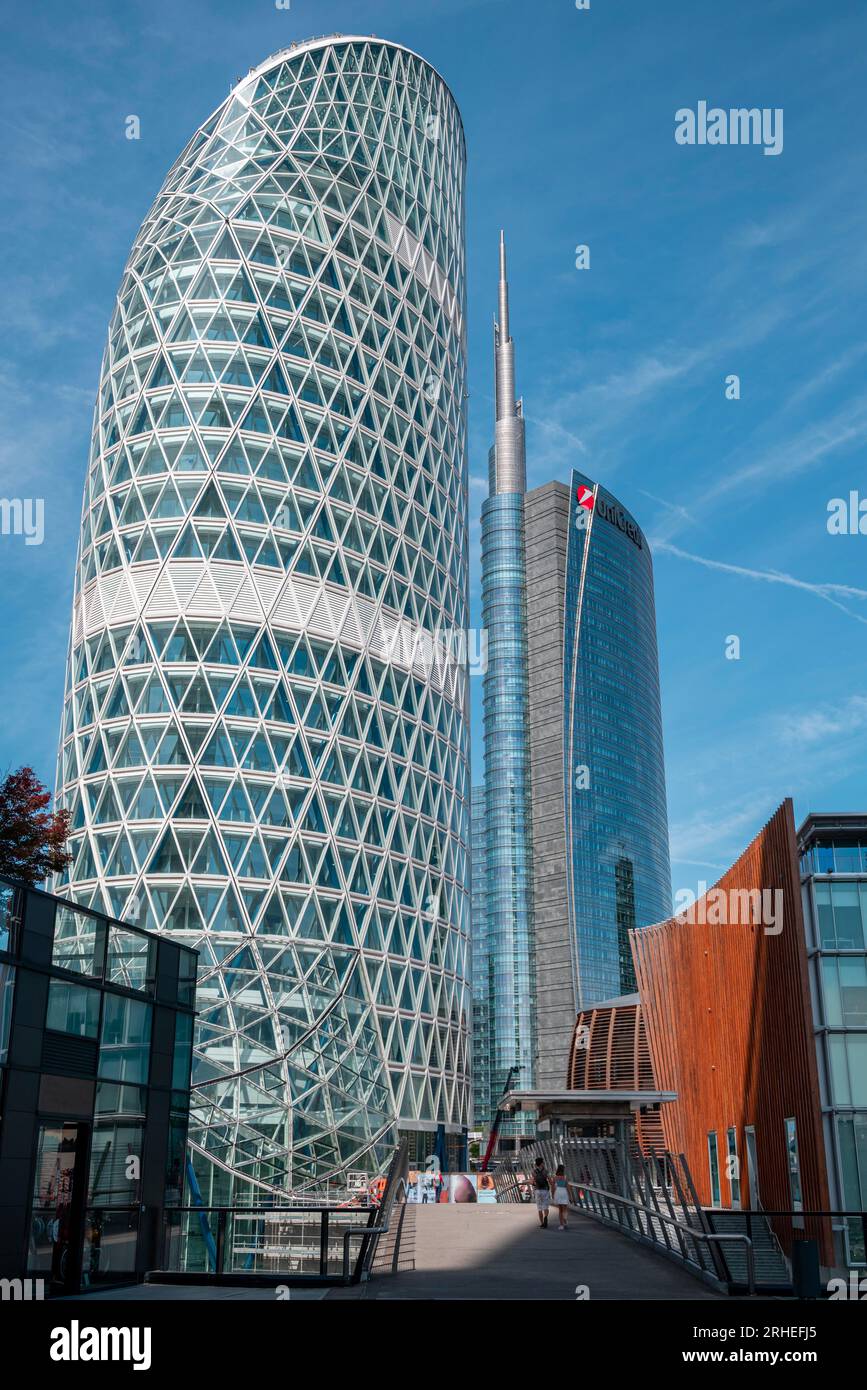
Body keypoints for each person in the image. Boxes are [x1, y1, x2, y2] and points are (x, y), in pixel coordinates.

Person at [532, 1155, 550, 1228]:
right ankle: (546, 1217)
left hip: (537, 1190)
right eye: (543, 1162)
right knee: (545, 1207)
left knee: (539, 1208)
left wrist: (534, 1184)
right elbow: (550, 1180)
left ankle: (542, 1223)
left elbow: (533, 1181)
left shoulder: (534, 1172)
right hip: (545, 1190)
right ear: (542, 1163)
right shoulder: (545, 1171)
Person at [552, 1163, 569, 1230]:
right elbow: (567, 1187)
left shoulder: (555, 1177)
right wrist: (570, 1195)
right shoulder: (565, 1177)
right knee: (565, 1209)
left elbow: (553, 1187)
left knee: (560, 1210)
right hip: (564, 1192)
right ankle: (565, 1220)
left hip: (558, 1192)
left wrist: (553, 1194)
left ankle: (561, 1225)